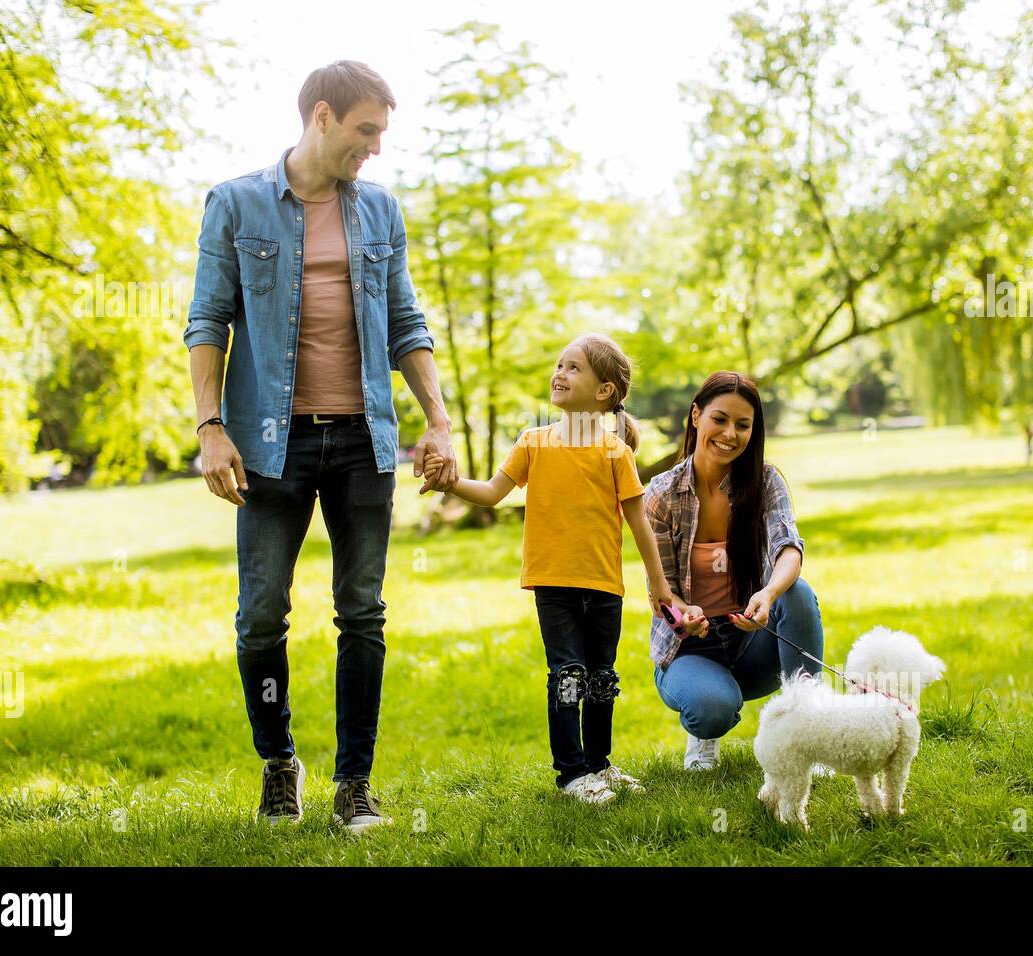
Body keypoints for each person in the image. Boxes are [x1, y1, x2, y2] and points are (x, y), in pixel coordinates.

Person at [183, 61, 458, 831]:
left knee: (362, 613)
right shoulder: (236, 205)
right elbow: (207, 321)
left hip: (365, 441)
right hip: (272, 448)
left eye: (382, 132)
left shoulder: (380, 212)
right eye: (366, 129)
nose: (375, 148)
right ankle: (280, 764)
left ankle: (353, 783)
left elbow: (408, 324)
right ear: (323, 116)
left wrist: (437, 420)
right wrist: (211, 429)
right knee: (261, 616)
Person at [422, 334, 676, 804]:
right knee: (568, 675)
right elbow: (494, 492)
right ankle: (572, 774)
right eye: (560, 365)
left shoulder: (615, 453)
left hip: (604, 585)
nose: (560, 373)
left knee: (602, 677)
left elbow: (640, 524)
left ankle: (600, 765)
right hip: (553, 585)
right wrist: (450, 481)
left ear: (604, 391)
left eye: (574, 367)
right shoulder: (534, 442)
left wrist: (658, 585)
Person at [644, 371, 825, 770]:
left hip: (752, 642)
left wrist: (768, 594)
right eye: (720, 419)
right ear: (696, 416)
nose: (730, 433)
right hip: (688, 649)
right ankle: (706, 725)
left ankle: (808, 734)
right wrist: (683, 612)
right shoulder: (661, 494)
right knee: (711, 711)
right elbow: (661, 591)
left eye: (743, 425)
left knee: (797, 591)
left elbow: (788, 548)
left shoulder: (765, 481)